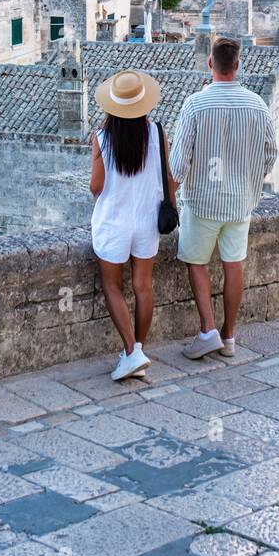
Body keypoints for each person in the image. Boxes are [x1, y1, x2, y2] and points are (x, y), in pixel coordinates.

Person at [169, 37, 277, 360]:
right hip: (240, 202)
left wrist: (170, 196)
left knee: (196, 262)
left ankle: (208, 330)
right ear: (238, 66)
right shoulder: (257, 105)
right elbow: (271, 152)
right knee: (234, 266)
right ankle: (229, 337)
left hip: (202, 201)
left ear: (210, 64)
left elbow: (178, 164)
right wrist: (250, 178)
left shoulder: (195, 105)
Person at [89, 69, 176, 381]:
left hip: (114, 222)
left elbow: (95, 187)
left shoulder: (102, 139)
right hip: (146, 220)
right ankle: (137, 348)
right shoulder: (157, 133)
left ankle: (131, 352)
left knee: (113, 285)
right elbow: (168, 177)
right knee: (143, 287)